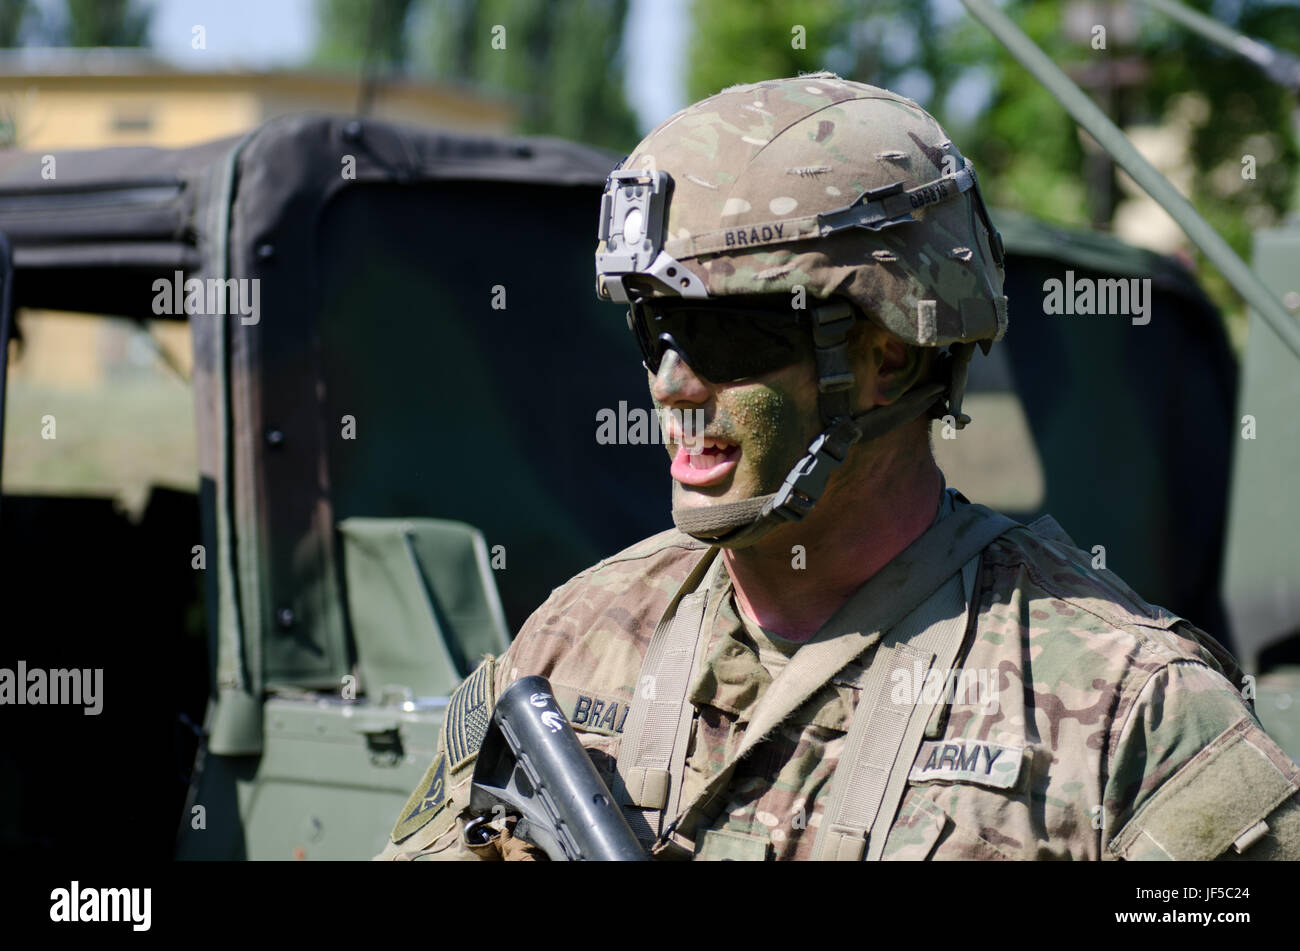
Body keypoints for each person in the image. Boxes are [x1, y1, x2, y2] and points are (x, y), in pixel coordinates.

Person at [376, 73, 1300, 861]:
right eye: (653, 327)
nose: (671, 383)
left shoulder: (1132, 716)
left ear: (888, 354)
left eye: (724, 331)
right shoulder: (577, 638)